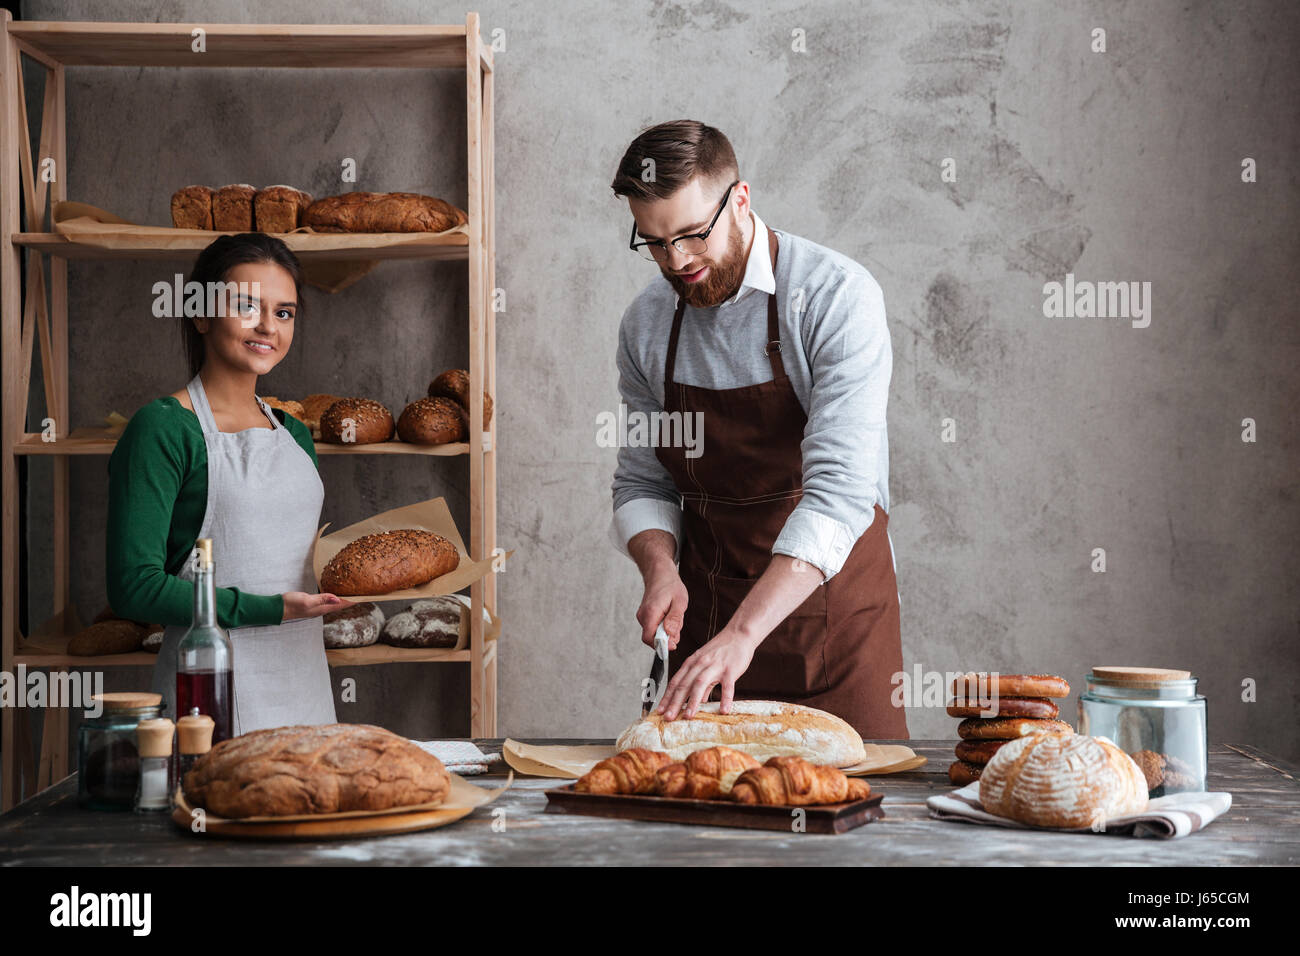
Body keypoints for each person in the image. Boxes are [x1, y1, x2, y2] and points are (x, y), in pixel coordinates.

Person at [609, 119, 909, 738]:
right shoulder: (645, 326)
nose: (677, 261)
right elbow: (643, 482)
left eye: (692, 235)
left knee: (855, 817)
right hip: (707, 633)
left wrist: (745, 634)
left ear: (740, 200)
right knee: (698, 818)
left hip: (832, 625)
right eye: (655, 243)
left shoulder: (833, 297)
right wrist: (660, 568)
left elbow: (839, 493)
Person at [106, 233, 350, 733]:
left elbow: (292, 558)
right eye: (246, 306)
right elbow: (134, 587)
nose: (268, 327)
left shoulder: (294, 433)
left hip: (305, 690)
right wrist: (271, 609)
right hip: (208, 697)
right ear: (200, 315)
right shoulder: (163, 428)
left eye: (284, 313)